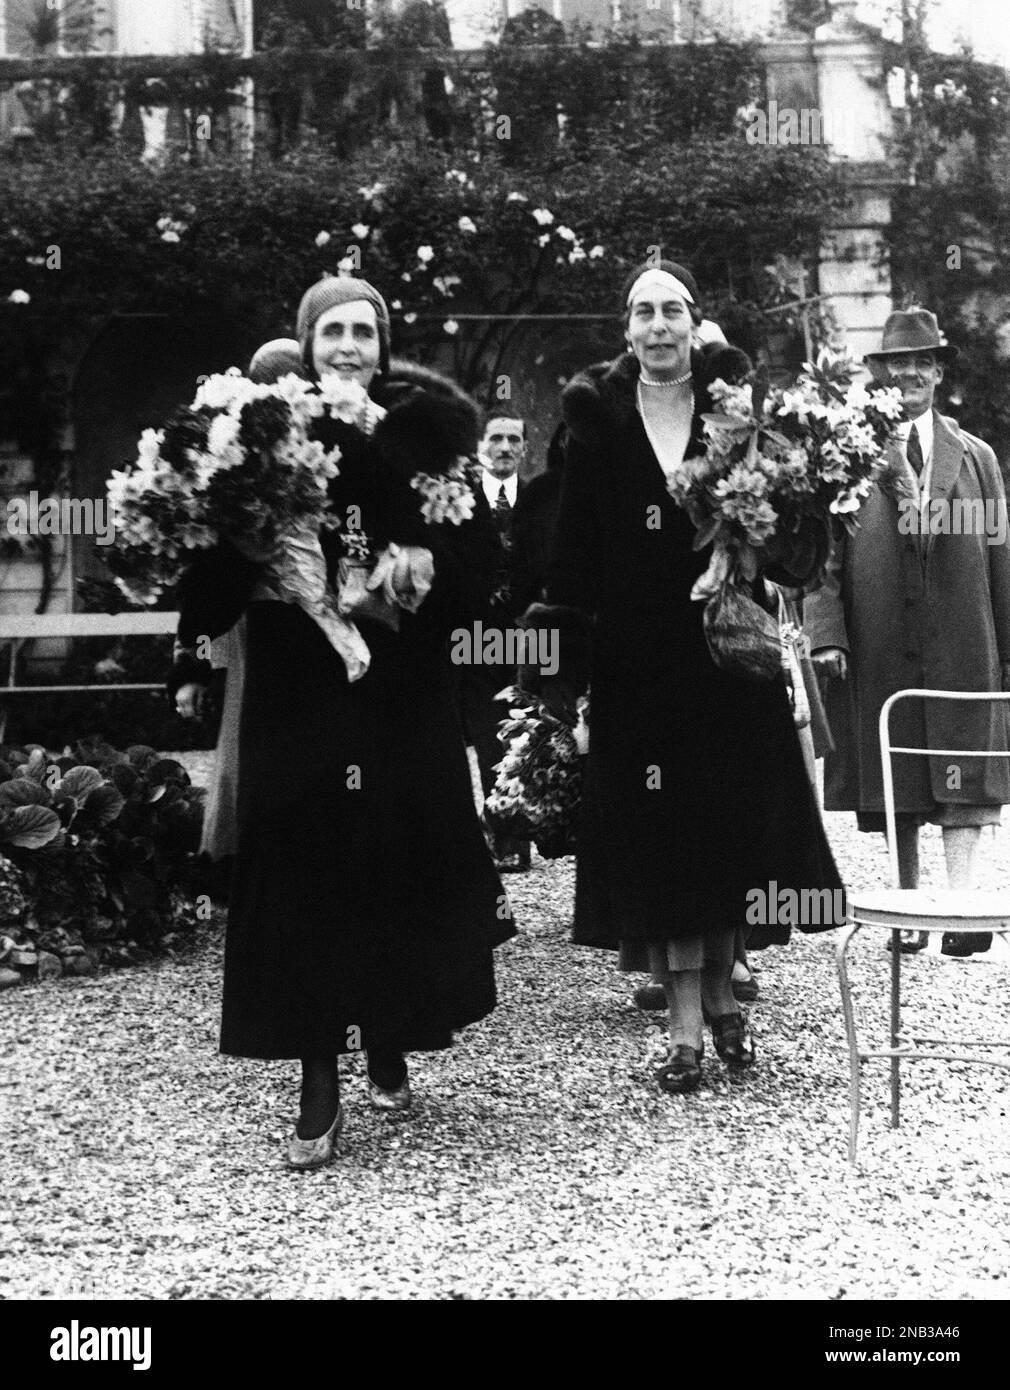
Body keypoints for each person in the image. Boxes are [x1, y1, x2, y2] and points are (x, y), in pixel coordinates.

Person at [172, 275, 514, 1167]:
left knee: (395, 860)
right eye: (333, 334)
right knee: (307, 874)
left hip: (397, 690)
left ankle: (393, 1026)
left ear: (383, 345)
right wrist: (236, 547)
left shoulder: (426, 436)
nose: (350, 347)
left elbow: (483, 565)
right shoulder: (263, 435)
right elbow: (205, 586)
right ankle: (318, 1070)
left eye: (365, 331)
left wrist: (425, 559)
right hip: (300, 690)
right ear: (307, 343)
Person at [534, 259, 843, 1094]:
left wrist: (772, 536)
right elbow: (571, 554)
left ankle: (719, 992)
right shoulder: (594, 422)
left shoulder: (735, 414)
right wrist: (560, 655)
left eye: (673, 310)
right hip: (638, 663)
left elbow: (788, 544)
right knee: (661, 835)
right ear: (626, 330)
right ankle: (686, 1018)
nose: (659, 326)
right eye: (643, 313)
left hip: (726, 654)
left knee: (725, 826)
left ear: (696, 323)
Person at [806, 306, 1010, 959]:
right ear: (882, 374)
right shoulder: (849, 455)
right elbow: (823, 559)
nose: (911, 373)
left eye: (922, 361)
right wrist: (826, 633)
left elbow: (1003, 556)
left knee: (962, 762)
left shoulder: (976, 459)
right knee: (894, 765)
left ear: (939, 371)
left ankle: (959, 909)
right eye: (900, 363)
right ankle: (908, 907)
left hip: (960, 635)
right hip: (880, 634)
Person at [171, 339, 305, 870]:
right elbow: (204, 579)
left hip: (323, 622)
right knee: (251, 736)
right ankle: (252, 856)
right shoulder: (239, 457)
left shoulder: (332, 444)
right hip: (260, 622)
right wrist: (191, 664)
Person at [458, 412, 532, 871]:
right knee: (487, 730)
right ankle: (503, 835)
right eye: (496, 439)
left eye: (513, 440)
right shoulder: (460, 499)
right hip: (475, 635)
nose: (505, 447)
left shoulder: (540, 498)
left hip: (528, 633)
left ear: (524, 447)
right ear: (482, 445)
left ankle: (528, 828)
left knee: (524, 731)